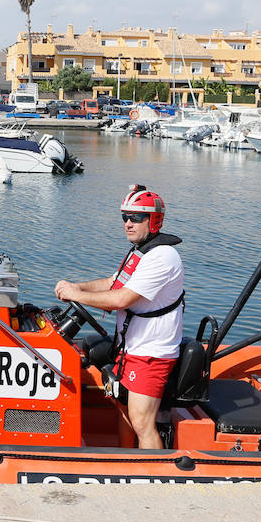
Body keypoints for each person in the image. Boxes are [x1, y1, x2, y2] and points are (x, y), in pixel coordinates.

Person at [54, 185, 184, 450]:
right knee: (123, 409)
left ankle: (153, 477)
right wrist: (77, 287)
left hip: (152, 353)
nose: (128, 223)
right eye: (125, 216)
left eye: (136, 217)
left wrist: (76, 295)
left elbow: (120, 299)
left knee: (141, 422)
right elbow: (113, 283)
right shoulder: (140, 252)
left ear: (152, 220)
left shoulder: (162, 257)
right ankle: (125, 461)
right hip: (130, 347)